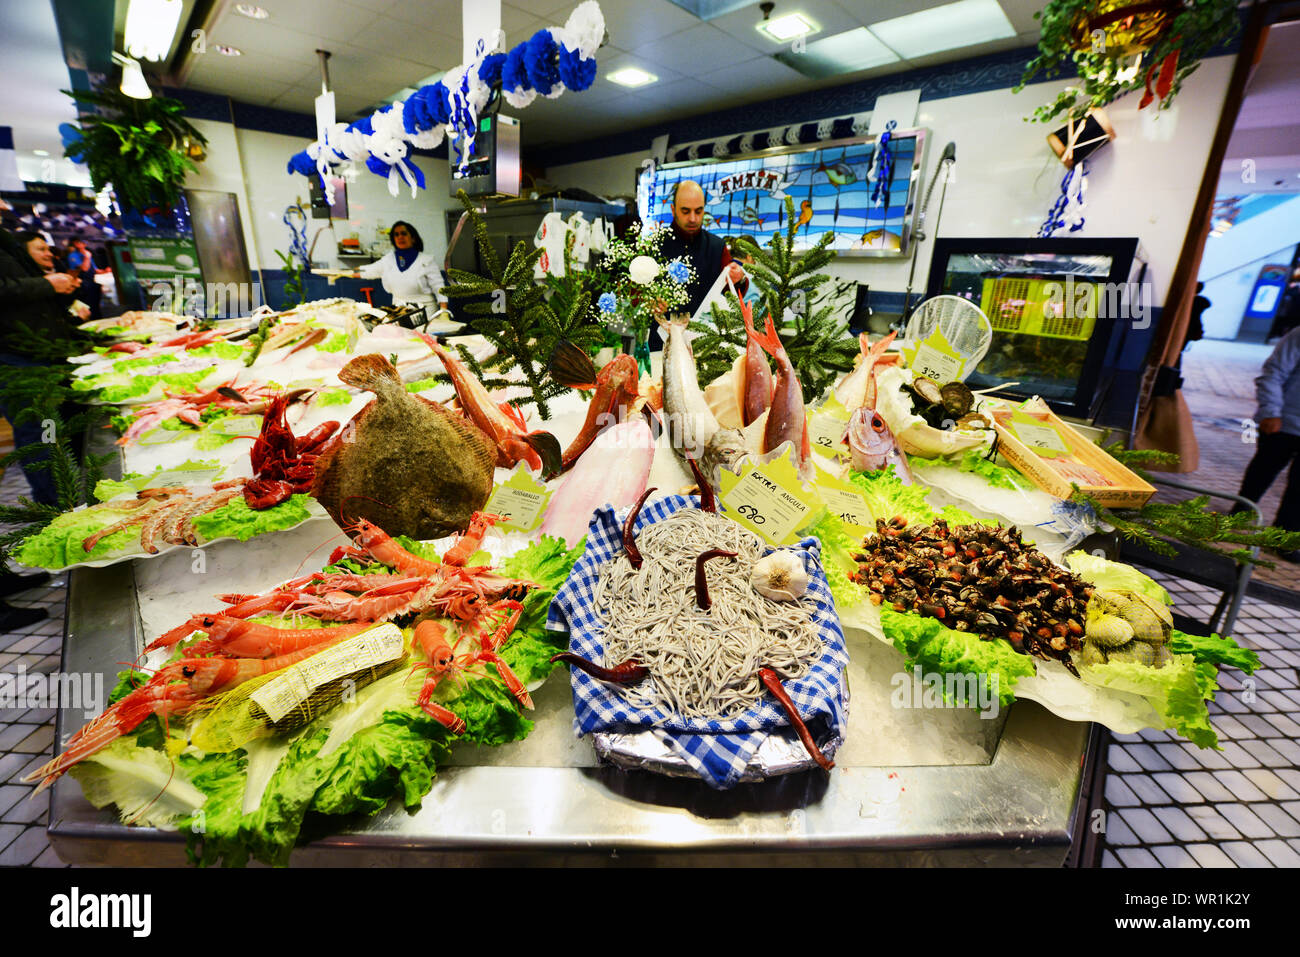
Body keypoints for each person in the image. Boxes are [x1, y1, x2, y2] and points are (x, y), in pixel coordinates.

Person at [649, 181, 748, 348]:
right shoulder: (654, 246)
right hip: (662, 343)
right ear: (673, 210)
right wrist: (649, 301)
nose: (693, 218)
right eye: (685, 211)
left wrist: (740, 278)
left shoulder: (717, 247)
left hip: (706, 345)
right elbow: (635, 292)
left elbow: (732, 295)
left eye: (699, 211)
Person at [1237, 323, 1300, 562]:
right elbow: (1273, 372)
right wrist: (1271, 412)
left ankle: (1284, 539)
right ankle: (1241, 510)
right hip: (1283, 421)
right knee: (1263, 470)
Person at [352, 221, 448, 326]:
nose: (400, 237)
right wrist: (342, 273)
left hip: (426, 312)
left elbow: (439, 287)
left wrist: (443, 311)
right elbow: (368, 270)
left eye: (404, 233)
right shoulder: (388, 260)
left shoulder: (426, 260)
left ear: (413, 238)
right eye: (396, 235)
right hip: (399, 312)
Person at [65, 237, 102, 321]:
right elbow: (84, 268)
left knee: (96, 306)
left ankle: (98, 320)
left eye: (83, 242)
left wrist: (104, 271)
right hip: (82, 285)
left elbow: (95, 269)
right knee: (88, 307)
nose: (82, 244)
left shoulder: (87, 253)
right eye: (78, 242)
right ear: (75, 243)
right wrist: (87, 257)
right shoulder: (72, 255)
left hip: (93, 283)